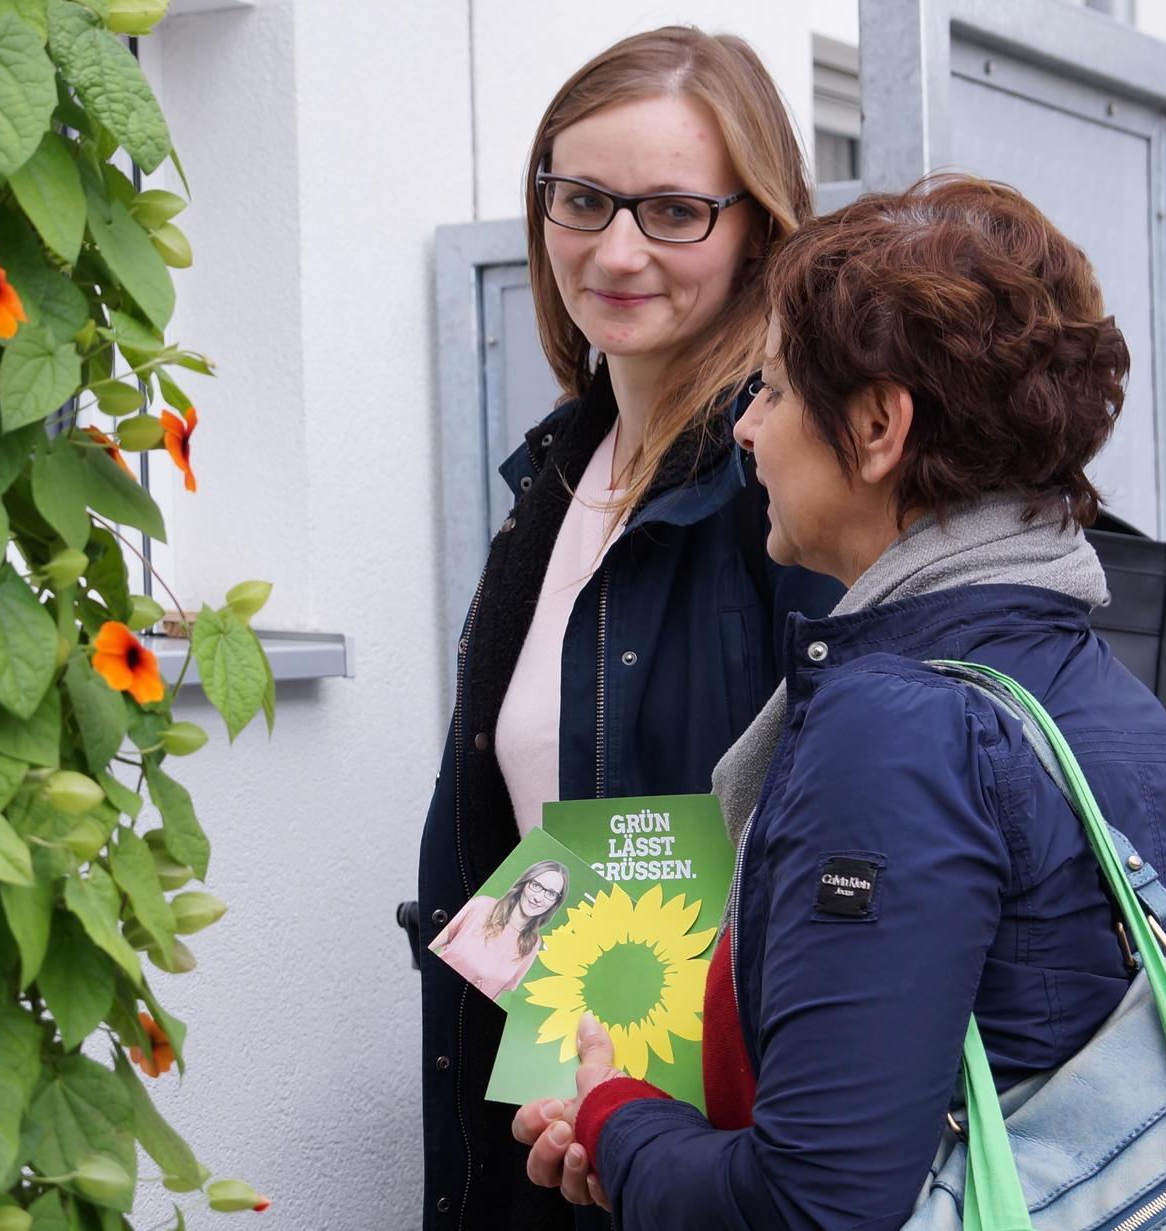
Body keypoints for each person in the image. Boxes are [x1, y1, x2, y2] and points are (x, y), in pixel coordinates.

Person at [511, 174, 1166, 1230]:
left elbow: (816, 1206)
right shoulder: (1093, 682)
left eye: (771, 391)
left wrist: (619, 1123)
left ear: (879, 424)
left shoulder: (894, 727)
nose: (749, 430)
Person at [408, 26, 843, 1231]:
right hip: (554, 1122)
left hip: (707, 1152)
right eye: (582, 199)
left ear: (758, 223)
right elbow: (558, 834)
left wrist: (658, 1117)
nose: (614, 249)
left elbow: (842, 837)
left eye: (672, 212)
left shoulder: (784, 490)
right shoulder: (559, 475)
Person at [430, 860, 569, 1001]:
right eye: (536, 885)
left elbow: (497, 991)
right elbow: (431, 942)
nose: (538, 898)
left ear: (556, 902)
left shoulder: (533, 943)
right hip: (435, 991)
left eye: (551, 893)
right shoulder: (482, 905)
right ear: (525, 883)